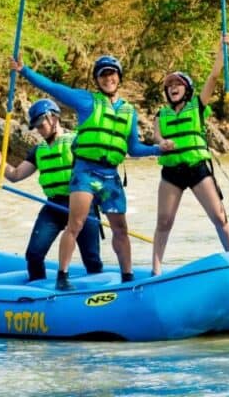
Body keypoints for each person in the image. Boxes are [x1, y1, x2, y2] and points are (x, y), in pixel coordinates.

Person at [13, 54, 164, 291]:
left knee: (120, 229)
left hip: (110, 175)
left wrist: (158, 149)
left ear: (119, 77)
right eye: (103, 75)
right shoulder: (87, 101)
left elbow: (133, 148)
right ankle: (62, 277)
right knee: (76, 223)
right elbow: (53, 88)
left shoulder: (129, 112)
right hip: (86, 171)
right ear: (97, 79)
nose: (108, 78)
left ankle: (128, 278)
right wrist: (25, 71)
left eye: (112, 73)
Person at [0, 98, 104, 281]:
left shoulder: (77, 142)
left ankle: (100, 294)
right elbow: (16, 175)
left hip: (81, 205)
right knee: (33, 255)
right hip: (53, 206)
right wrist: (0, 162)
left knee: (91, 259)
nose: (40, 131)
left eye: (41, 126)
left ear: (54, 118)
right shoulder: (38, 150)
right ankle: (38, 294)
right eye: (37, 127)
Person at [151, 36, 229, 276]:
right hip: (172, 173)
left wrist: (222, 50)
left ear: (186, 89)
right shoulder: (161, 115)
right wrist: (161, 143)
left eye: (177, 84)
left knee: (219, 216)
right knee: (164, 222)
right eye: (169, 85)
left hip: (197, 168)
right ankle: (156, 271)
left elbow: (213, 77)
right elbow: (156, 137)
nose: (173, 87)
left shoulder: (197, 106)